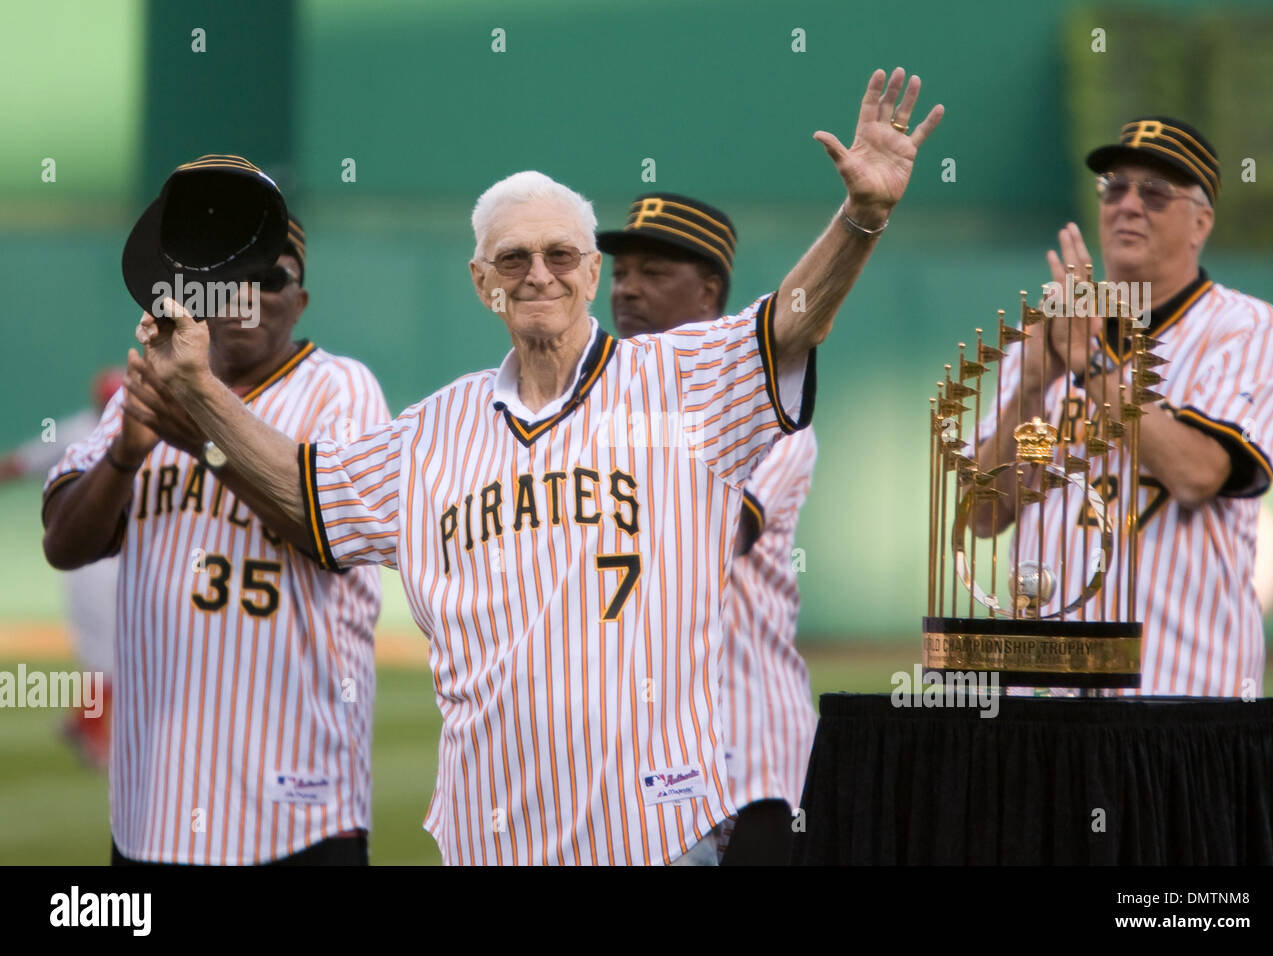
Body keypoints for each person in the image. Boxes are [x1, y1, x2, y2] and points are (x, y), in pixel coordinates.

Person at [134, 68, 943, 865]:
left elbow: (789, 327)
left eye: (562, 254)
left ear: (591, 272)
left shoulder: (681, 382)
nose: (539, 274)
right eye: (512, 260)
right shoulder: (431, 433)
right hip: (488, 838)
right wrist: (200, 391)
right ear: (483, 283)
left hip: (656, 834)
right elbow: (308, 497)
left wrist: (861, 217)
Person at [42, 168, 390, 864]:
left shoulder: (339, 388)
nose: (253, 296)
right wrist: (125, 456)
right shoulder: (149, 384)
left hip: (300, 810)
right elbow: (64, 541)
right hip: (153, 813)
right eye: (238, 276)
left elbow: (329, 530)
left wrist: (202, 438)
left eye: (274, 278)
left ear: (303, 299)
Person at [972, 117, 1273, 696]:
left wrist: (1092, 366)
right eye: (1114, 188)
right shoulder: (1051, 336)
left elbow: (1197, 474)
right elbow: (984, 516)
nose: (1128, 205)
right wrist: (1029, 391)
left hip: (1180, 703)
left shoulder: (1241, 327)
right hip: (1044, 697)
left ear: (1201, 223)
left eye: (1155, 193)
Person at [597, 194, 817, 864]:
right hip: (639, 762)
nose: (627, 287)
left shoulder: (769, 407)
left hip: (749, 755)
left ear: (709, 291)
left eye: (654, 272)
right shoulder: (597, 405)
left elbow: (714, 531)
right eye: (621, 271)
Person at [2, 368, 123, 769]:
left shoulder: (147, 432)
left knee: (122, 647)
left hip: (127, 554)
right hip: (86, 554)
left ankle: (80, 721)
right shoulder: (73, 431)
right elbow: (19, 463)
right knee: (104, 650)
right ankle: (87, 728)